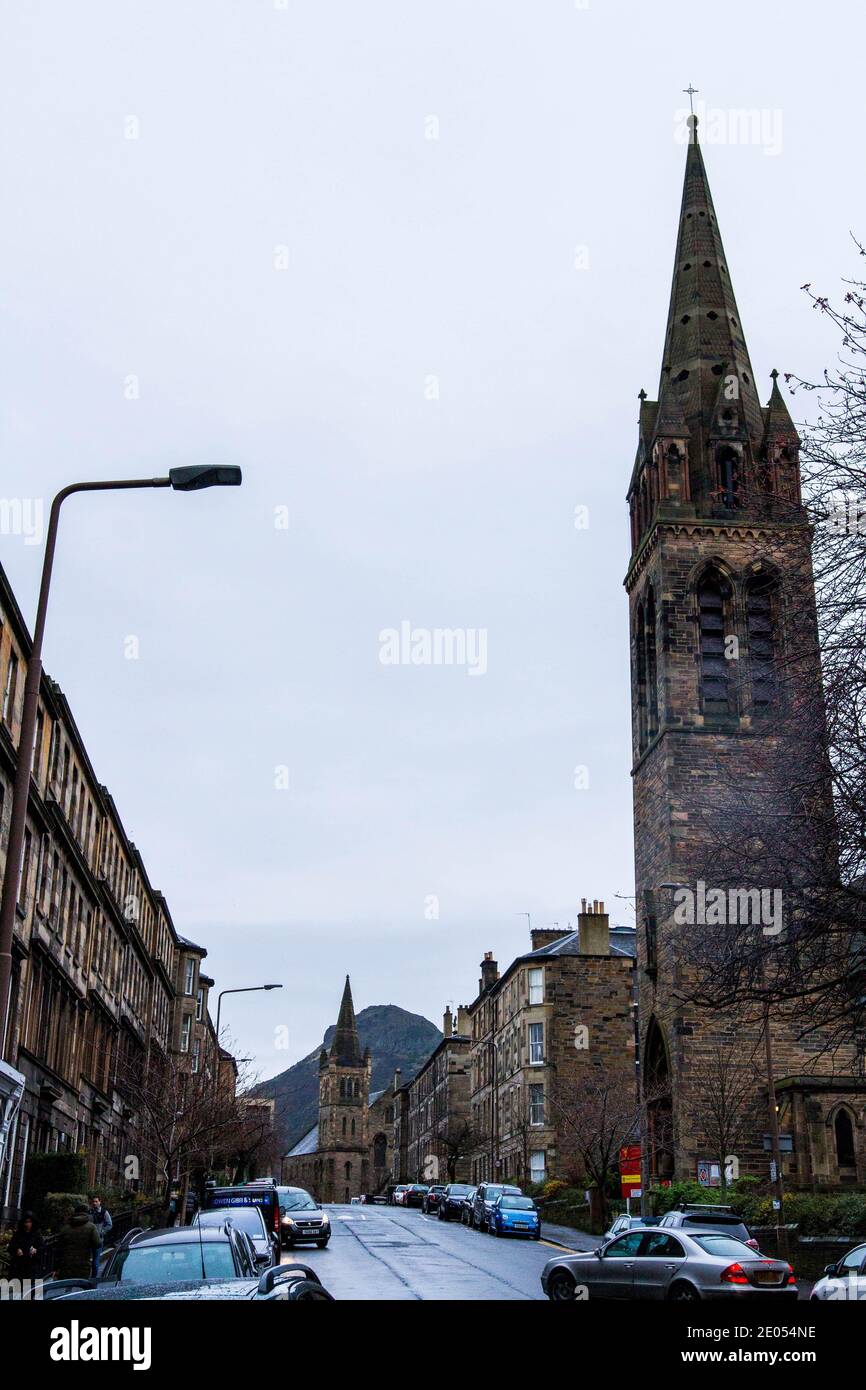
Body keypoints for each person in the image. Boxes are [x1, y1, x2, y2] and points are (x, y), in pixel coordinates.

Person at [54, 1204, 100, 1280]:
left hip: (66, 1265)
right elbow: (97, 1244)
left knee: (66, 1287)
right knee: (82, 1286)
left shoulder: (66, 1228)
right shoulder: (91, 1227)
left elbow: (59, 1249)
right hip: (83, 1264)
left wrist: (56, 1267)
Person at [7, 1211, 44, 1284]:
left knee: (28, 1290)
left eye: (29, 1222)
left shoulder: (36, 1234)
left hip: (31, 1266)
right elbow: (11, 1247)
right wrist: (16, 1250)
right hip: (19, 1267)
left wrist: (35, 1250)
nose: (27, 1224)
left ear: (33, 1222)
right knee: (18, 1290)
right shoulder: (18, 1234)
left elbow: (42, 1247)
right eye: (26, 1222)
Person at [88, 1194, 113, 1276]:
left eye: (96, 1201)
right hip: (88, 1239)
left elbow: (109, 1224)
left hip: (98, 1239)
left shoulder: (104, 1212)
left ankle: (94, 1278)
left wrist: (102, 1232)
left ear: (100, 1202)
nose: (94, 1203)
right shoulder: (90, 1212)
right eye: (93, 1202)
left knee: (95, 1260)